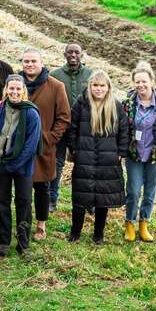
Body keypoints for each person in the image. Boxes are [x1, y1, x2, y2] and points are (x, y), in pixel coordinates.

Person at [66, 69, 129, 243]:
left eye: (102, 86)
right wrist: (75, 148)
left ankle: (98, 234)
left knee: (103, 198)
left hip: (108, 159)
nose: (98, 89)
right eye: (95, 85)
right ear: (90, 86)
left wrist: (121, 152)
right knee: (80, 196)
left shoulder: (116, 105)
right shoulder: (81, 103)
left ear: (108, 87)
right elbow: (71, 127)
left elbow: (124, 130)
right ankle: (75, 232)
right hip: (84, 156)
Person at [0, 74, 42, 256]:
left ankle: (23, 244)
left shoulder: (31, 113)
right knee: (2, 202)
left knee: (23, 202)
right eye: (11, 88)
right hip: (0, 166)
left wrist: (14, 164)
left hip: (22, 167)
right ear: (6, 89)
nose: (14, 92)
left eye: (18, 89)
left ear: (23, 90)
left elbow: (31, 146)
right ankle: (4, 241)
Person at [20, 48, 72, 242]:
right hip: (20, 147)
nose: (30, 64)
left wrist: (49, 138)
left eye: (33, 61)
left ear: (41, 63)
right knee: (22, 188)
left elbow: (64, 117)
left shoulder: (55, 86)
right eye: (26, 61)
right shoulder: (16, 84)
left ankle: (41, 224)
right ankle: (23, 223)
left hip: (43, 147)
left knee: (42, 187)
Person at [123, 62, 156, 243]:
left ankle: (144, 223)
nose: (141, 85)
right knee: (133, 191)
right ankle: (130, 223)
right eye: (137, 82)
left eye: (144, 81)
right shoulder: (127, 105)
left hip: (155, 156)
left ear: (152, 82)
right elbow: (122, 129)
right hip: (134, 154)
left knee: (150, 191)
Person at [49, 43, 92, 211]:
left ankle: (87, 201)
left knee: (84, 164)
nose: (73, 55)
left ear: (82, 55)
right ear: (64, 54)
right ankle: (52, 199)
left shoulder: (91, 75)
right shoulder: (55, 75)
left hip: (83, 129)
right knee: (57, 162)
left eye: (77, 52)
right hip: (60, 127)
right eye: (70, 52)